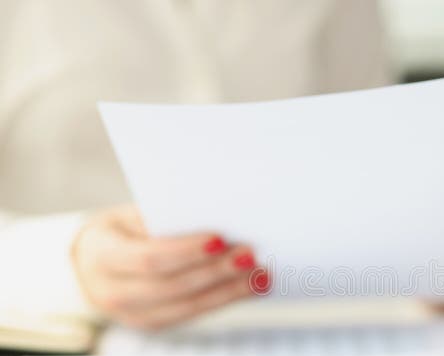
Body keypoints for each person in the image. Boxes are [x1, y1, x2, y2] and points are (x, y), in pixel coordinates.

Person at [0, 0, 389, 330]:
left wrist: (437, 264)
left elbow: (366, 160)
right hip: (60, 340)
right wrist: (68, 264)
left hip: (315, 329)